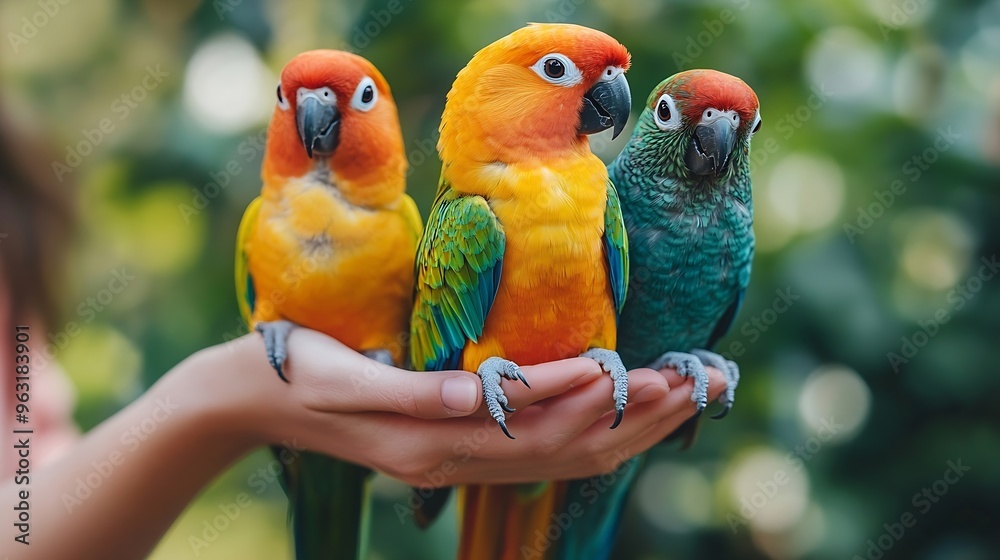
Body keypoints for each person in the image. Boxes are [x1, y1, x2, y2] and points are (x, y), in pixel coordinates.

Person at [0, 113, 726, 559]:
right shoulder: (272, 224)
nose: (43, 386)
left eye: (33, 339)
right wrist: (231, 392)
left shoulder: (415, 220)